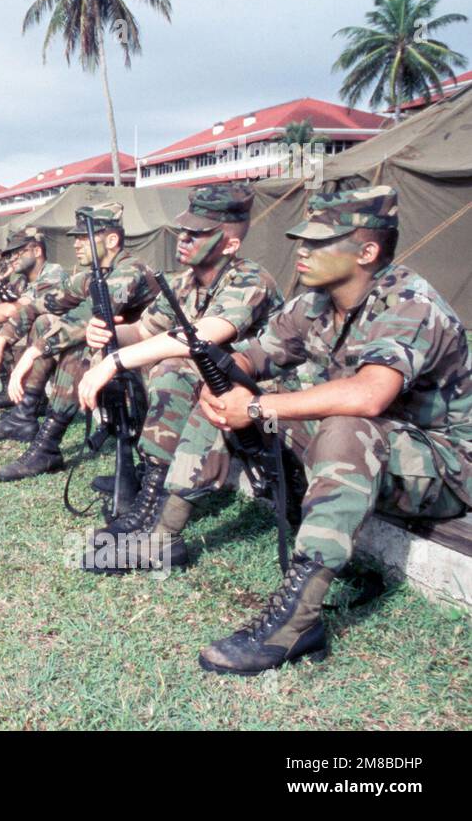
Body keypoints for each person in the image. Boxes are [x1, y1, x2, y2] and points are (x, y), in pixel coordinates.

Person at [124, 187, 471, 674]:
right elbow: (256, 355)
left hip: (441, 465)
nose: (302, 251)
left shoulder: (410, 302)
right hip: (366, 444)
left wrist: (260, 406)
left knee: (347, 425)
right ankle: (163, 537)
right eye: (302, 241)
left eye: (319, 243)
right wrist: (225, 376)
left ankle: (297, 622)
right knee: (227, 392)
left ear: (367, 252)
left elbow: (369, 396)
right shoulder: (315, 303)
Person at [75, 186, 281, 548]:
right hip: (216, 393)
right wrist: (108, 331)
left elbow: (202, 337)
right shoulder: (184, 284)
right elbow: (142, 330)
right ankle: (151, 492)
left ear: (230, 245)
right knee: (146, 365)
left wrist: (116, 358)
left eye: (198, 233)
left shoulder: (251, 279)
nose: (183, 238)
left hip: (262, 396)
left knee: (172, 369)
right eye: (184, 229)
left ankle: (156, 504)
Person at [0, 202, 157, 482]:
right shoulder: (91, 276)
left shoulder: (130, 272)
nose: (76, 244)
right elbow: (39, 305)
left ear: (112, 240)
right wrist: (0, 340)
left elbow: (89, 318)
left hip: (148, 360)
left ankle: (47, 445)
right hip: (116, 356)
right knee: (46, 322)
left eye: (84, 237)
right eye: (75, 237)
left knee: (77, 344)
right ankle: (25, 415)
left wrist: (31, 354)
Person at [0, 227, 65, 410]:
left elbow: (12, 310)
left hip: (61, 343)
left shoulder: (53, 274)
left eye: (18, 252)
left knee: (20, 321)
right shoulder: (22, 281)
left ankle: (35, 395)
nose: (13, 259)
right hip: (41, 345)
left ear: (37, 251)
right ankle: (9, 391)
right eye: (11, 254)